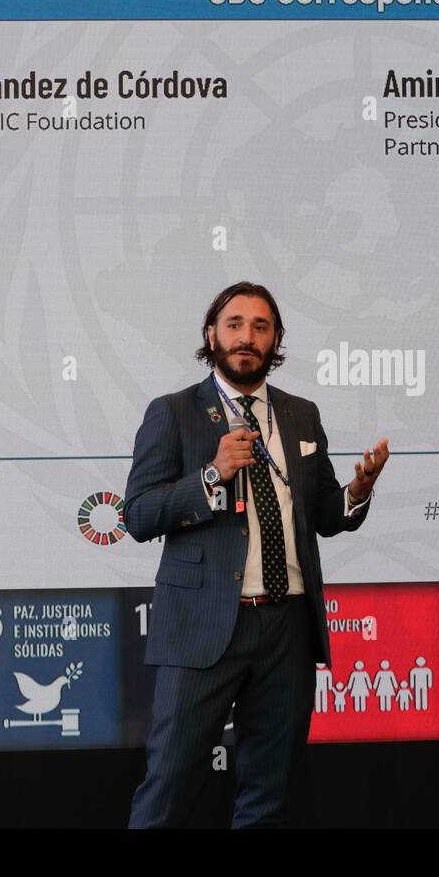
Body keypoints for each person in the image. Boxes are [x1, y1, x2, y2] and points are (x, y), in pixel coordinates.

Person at [126, 281, 389, 828]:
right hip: (203, 626)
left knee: (268, 793)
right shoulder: (173, 412)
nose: (247, 337)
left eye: (261, 327)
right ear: (211, 335)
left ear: (275, 341)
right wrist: (211, 473)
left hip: (287, 626)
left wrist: (358, 492)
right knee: (170, 785)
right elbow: (138, 515)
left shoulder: (301, 414)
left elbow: (324, 515)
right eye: (235, 324)